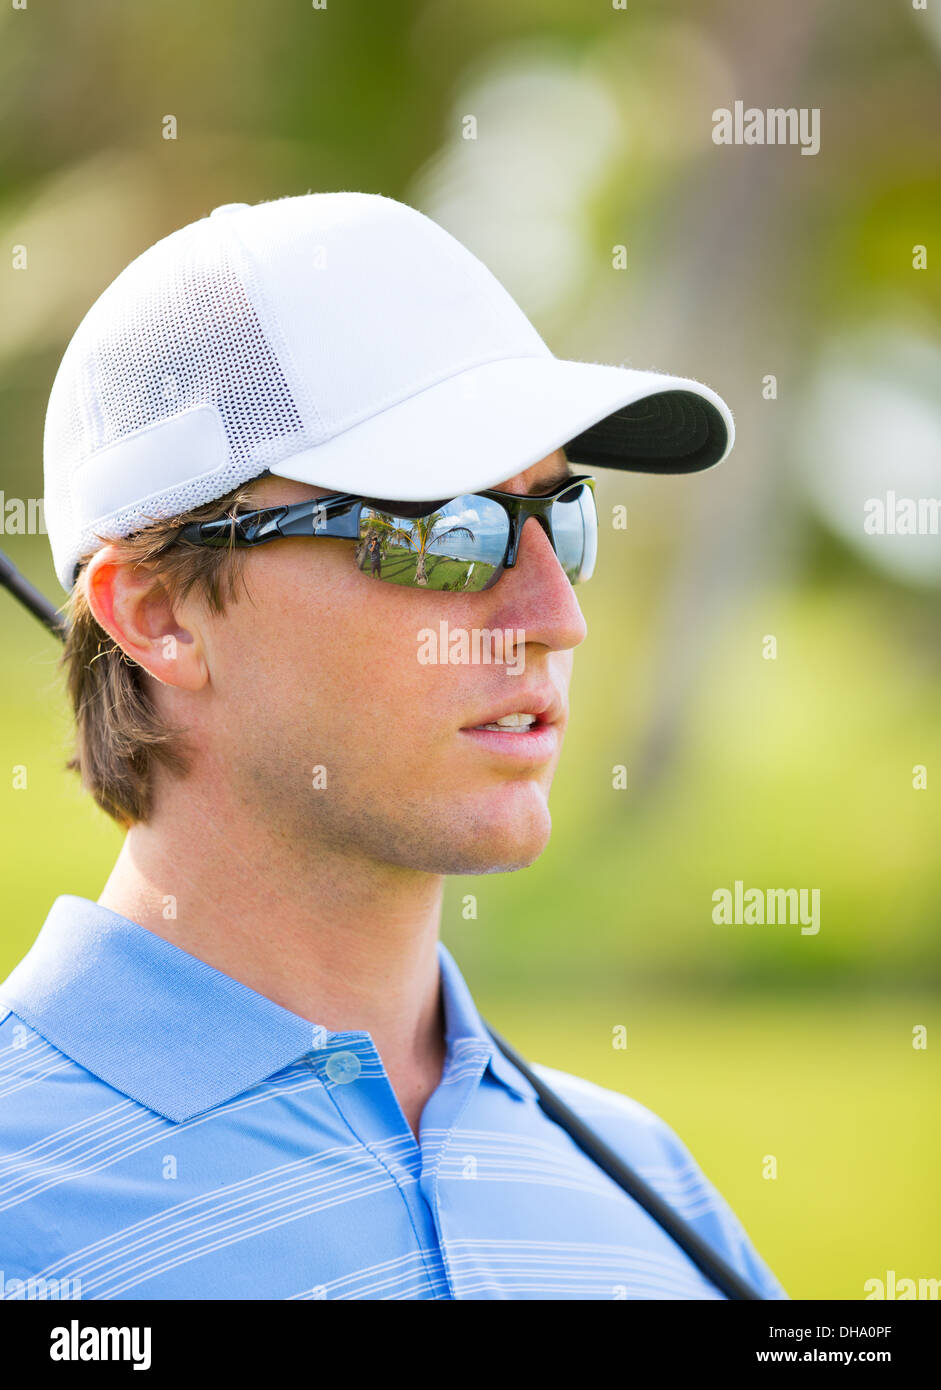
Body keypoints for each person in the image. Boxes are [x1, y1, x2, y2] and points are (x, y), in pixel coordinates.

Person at [0, 192, 787, 1301]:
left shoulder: (653, 1193)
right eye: (439, 529)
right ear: (160, 613)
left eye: (559, 517)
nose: (556, 616)